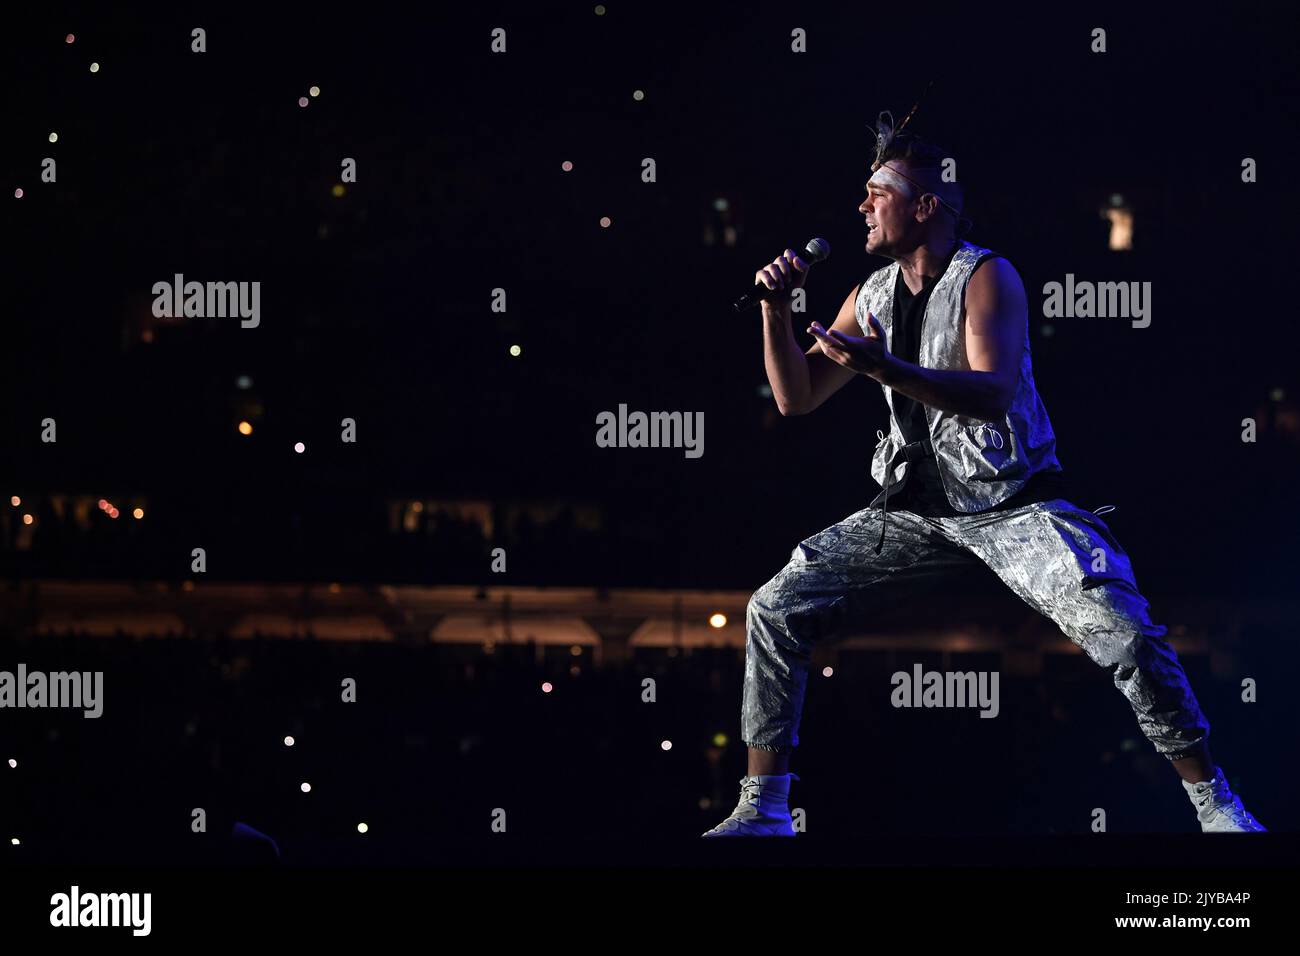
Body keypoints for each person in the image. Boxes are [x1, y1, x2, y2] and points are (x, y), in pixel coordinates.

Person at [703, 118, 1264, 837]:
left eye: (877, 193)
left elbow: (991, 393)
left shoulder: (988, 275)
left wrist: (885, 369)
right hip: (913, 510)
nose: (862, 207)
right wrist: (777, 313)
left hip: (1012, 503)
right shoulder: (871, 295)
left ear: (925, 206)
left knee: (1124, 633)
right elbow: (795, 398)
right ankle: (766, 807)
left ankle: (1214, 802)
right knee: (775, 607)